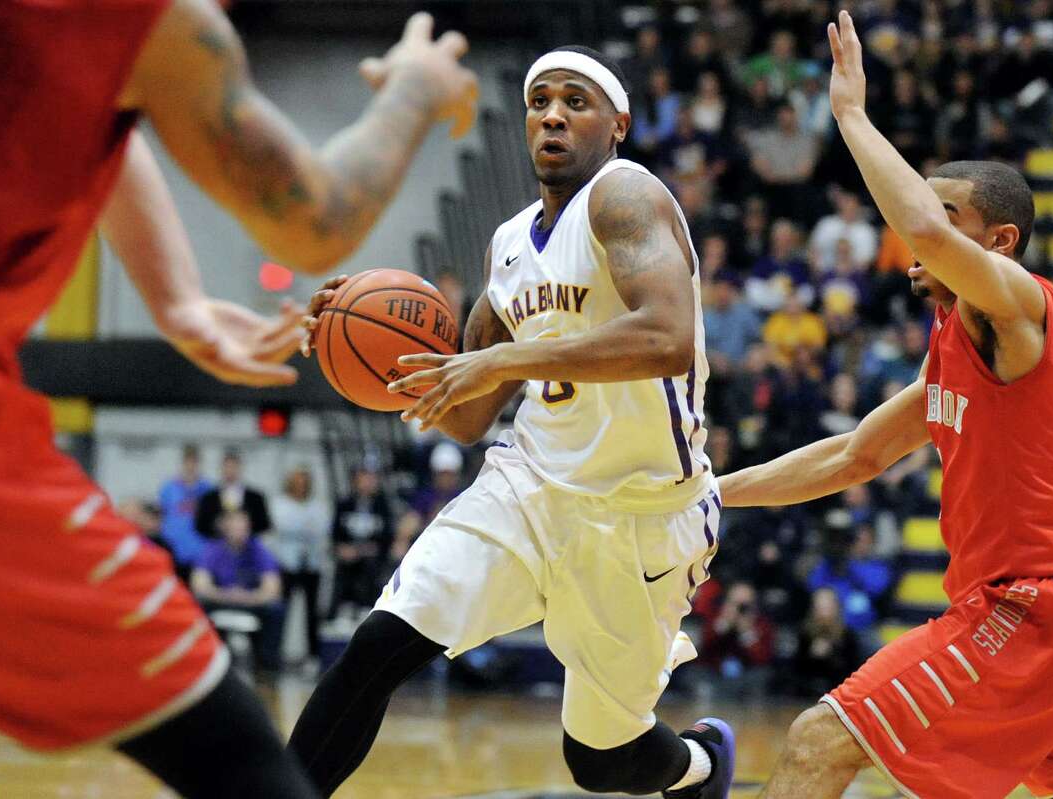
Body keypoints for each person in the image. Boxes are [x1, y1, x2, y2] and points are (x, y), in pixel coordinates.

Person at [0, 0, 477, 794]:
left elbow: (95, 112)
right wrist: (416, 88)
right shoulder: (153, 21)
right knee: (238, 760)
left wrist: (179, 302)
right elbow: (316, 222)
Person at [292, 45, 734, 799]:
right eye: (539, 101)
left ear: (618, 122)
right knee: (378, 644)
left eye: (575, 100)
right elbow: (465, 417)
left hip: (642, 514)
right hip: (526, 488)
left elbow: (666, 337)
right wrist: (359, 350)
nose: (552, 114)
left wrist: (500, 362)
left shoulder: (625, 197)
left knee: (601, 763)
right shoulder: (506, 245)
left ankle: (698, 765)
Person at [718, 12, 1053, 799]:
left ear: (999, 242)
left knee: (820, 737)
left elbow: (914, 222)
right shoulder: (954, 338)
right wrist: (711, 492)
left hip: (1033, 603)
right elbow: (855, 455)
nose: (918, 239)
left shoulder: (1019, 305)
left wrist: (850, 115)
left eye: (948, 221)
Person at [192, 510, 285, 675]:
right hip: (220, 600)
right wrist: (227, 595)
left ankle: (267, 663)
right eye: (235, 528)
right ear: (224, 529)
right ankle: (205, 661)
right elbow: (199, 585)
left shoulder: (259, 550)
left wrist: (247, 597)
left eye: (243, 528)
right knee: (197, 606)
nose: (239, 533)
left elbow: (273, 589)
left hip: (251, 602)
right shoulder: (212, 549)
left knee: (276, 609)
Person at [271, 466, 331, 670]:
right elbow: (283, 525)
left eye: (303, 481)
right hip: (287, 564)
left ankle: (313, 656)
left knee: (312, 612)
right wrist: (305, 526)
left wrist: (301, 527)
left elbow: (321, 528)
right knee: (282, 610)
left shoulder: (317, 505)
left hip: (312, 564)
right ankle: (275, 652)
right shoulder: (281, 503)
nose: (300, 486)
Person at [330, 459, 397, 617]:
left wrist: (363, 550)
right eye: (363, 477)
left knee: (370, 568)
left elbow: (387, 538)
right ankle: (341, 610)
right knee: (345, 567)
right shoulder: (344, 504)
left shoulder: (383, 506)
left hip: (373, 560)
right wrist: (342, 548)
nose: (367, 482)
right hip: (348, 560)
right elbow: (335, 534)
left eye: (371, 478)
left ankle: (369, 606)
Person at [158, 444, 214, 580]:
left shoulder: (208, 489)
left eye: (194, 462)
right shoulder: (168, 488)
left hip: (200, 553)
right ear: (183, 463)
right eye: (188, 462)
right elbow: (161, 516)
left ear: (199, 463)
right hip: (173, 551)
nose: (191, 466)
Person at [195, 449, 272, 540]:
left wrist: (243, 527)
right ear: (221, 469)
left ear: (240, 468)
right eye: (227, 467)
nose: (230, 471)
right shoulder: (209, 498)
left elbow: (265, 524)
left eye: (233, 467)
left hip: (248, 549)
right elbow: (200, 525)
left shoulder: (255, 497)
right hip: (218, 548)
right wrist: (218, 525)